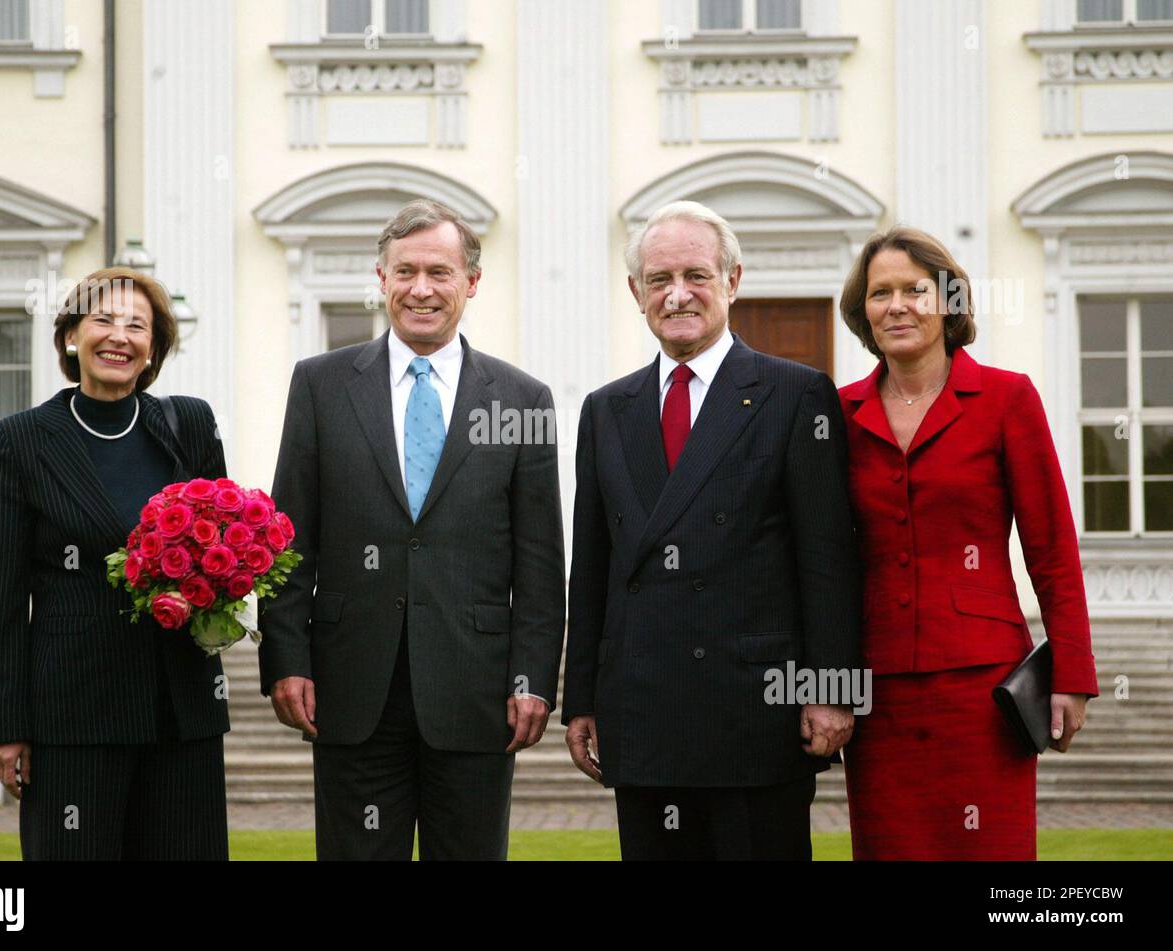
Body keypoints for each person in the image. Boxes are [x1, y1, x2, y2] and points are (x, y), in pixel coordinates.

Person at [259, 199, 566, 861]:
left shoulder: (522, 399)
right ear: (381, 277)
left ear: (471, 282)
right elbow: (288, 537)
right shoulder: (320, 384)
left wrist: (535, 677)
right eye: (405, 271)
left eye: (439, 271)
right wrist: (286, 658)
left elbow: (540, 560)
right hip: (350, 685)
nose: (421, 288)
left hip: (476, 690)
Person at [562, 200, 862, 860]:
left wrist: (834, 688)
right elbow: (593, 565)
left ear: (733, 280)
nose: (677, 294)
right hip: (643, 710)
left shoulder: (796, 395)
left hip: (756, 712)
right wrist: (579, 696)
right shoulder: (606, 409)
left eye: (696, 274)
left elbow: (827, 556)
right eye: (660, 279)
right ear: (636, 292)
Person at [836, 226, 1098, 860]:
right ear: (863, 312)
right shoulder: (835, 412)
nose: (896, 306)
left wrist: (1074, 674)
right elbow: (823, 558)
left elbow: (1052, 547)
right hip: (878, 692)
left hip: (984, 689)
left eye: (914, 290)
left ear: (948, 301)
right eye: (879, 294)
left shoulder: (1007, 398)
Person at [0, 267, 230, 860]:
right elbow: (6, 592)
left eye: (137, 326)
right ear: (71, 335)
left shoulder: (188, 423)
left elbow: (222, 545)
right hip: (72, 712)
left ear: (153, 350)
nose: (120, 336)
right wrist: (5, 725)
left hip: (180, 708)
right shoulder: (21, 440)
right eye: (104, 320)